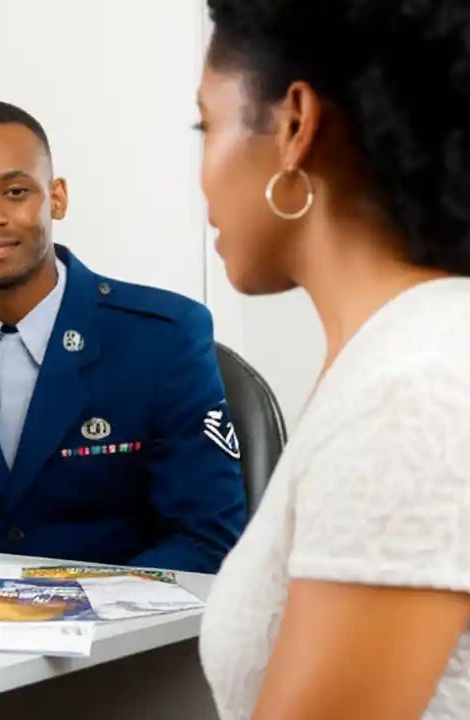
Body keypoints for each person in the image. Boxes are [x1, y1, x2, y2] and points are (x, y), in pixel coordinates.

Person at [195, 2, 470, 717]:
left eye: (207, 126)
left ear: (293, 126)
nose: (200, 175)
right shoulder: (394, 355)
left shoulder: (412, 391)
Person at [0, 100, 246, 573]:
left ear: (56, 198)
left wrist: (64, 607)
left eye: (16, 192)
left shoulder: (162, 336)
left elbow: (207, 539)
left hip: (131, 632)